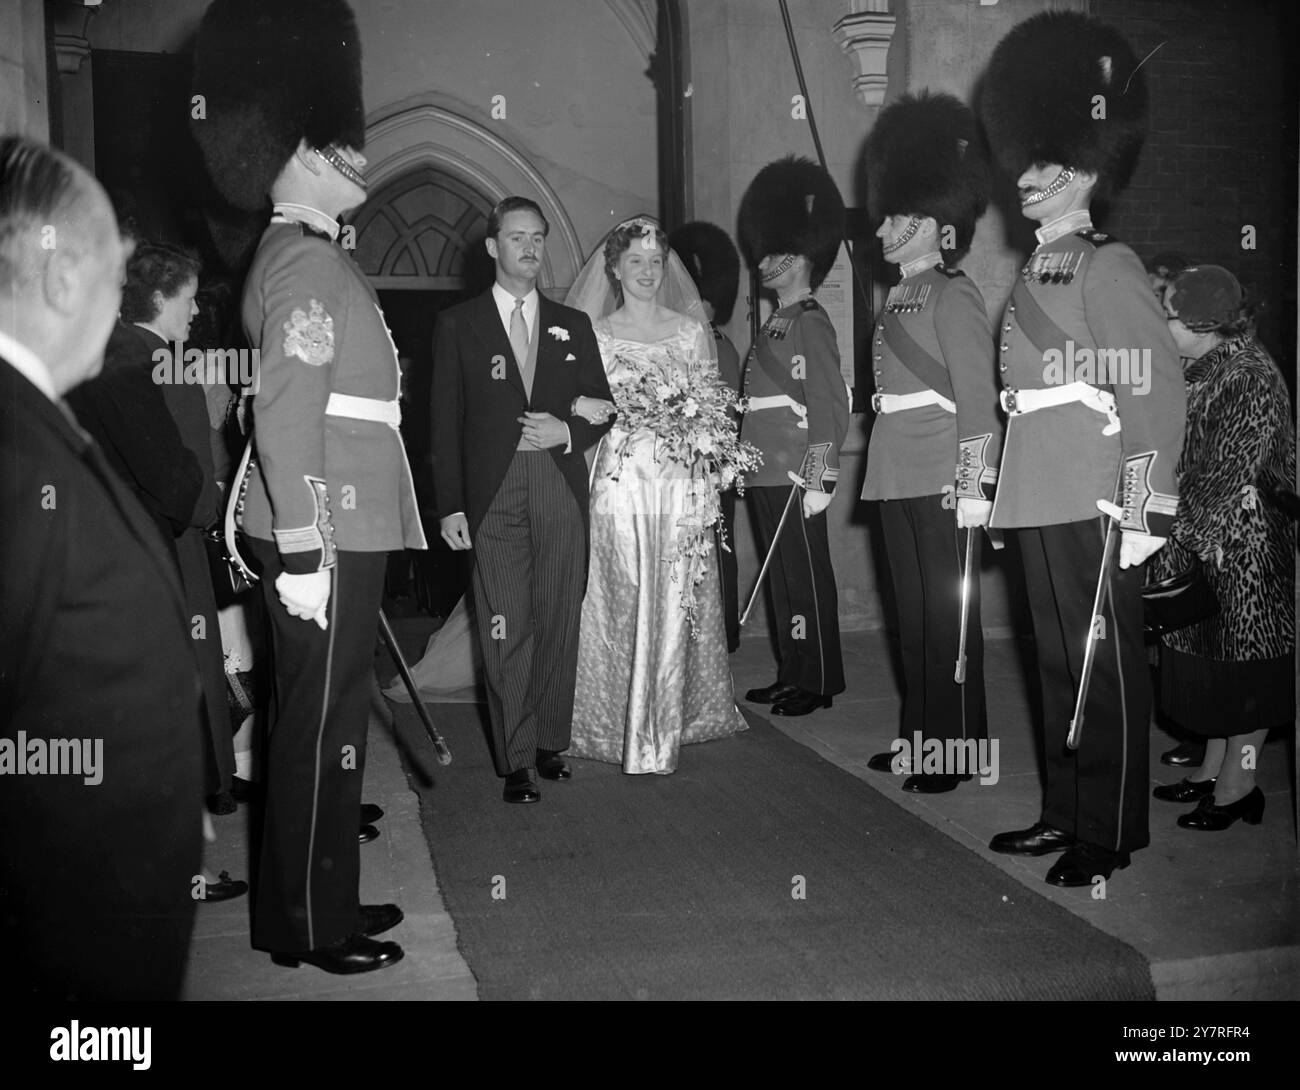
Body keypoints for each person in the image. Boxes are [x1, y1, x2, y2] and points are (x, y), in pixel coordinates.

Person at [192, 0, 426, 974]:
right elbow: (288, 415)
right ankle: (301, 921)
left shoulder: (314, 257)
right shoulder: (302, 262)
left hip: (344, 513)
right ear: (289, 154)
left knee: (329, 719)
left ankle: (324, 897)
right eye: (336, 146)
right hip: (324, 524)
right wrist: (301, 551)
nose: (356, 160)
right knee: (313, 723)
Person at [980, 11, 1187, 887]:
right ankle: (1064, 810)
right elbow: (1022, 399)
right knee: (1057, 659)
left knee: (1101, 662)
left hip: (1098, 494)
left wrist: (1148, 507)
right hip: (1040, 486)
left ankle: (1110, 828)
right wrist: (1000, 492)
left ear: (1089, 169)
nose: (1024, 178)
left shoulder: (1109, 265)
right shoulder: (1037, 267)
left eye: (1044, 163)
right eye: (1023, 159)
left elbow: (1153, 390)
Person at [0, 135, 203, 998]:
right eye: (117, 277)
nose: (126, 305)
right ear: (58, 279)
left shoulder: (38, 417)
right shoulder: (13, 457)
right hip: (71, 927)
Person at [432, 196, 614, 802]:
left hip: (559, 486)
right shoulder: (459, 325)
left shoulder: (574, 324)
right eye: (517, 238)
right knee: (505, 623)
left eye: (538, 237)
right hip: (492, 494)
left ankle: (549, 742)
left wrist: (570, 430)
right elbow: (444, 421)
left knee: (560, 615)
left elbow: (602, 406)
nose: (531, 248)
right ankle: (515, 760)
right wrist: (451, 504)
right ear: (493, 248)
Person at [565, 218, 748, 773]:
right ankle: (611, 720)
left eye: (655, 262)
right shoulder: (593, 333)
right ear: (615, 270)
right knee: (619, 588)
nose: (646, 272)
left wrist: (706, 463)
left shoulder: (690, 332)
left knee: (674, 590)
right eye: (635, 262)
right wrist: (589, 410)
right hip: (620, 480)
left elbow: (711, 409)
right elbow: (578, 403)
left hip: (676, 480)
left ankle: (670, 716)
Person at [859, 91, 1001, 794]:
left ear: (934, 222)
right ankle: (925, 740)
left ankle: (956, 752)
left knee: (948, 625)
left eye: (896, 217)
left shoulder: (953, 294)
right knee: (913, 622)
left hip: (942, 476)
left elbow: (979, 400)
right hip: (892, 472)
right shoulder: (897, 296)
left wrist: (975, 483)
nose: (882, 228)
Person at [66, 244, 237, 824]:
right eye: (188, 300)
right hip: (161, 541)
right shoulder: (141, 359)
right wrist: (210, 505)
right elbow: (171, 469)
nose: (194, 314)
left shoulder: (120, 352)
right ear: (160, 298)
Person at [1150, 265, 1294, 829]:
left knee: (1245, 675)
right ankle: (1211, 769)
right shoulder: (1202, 366)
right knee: (1209, 668)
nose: (1162, 325)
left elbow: (1225, 470)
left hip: (1243, 547)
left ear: (1202, 323)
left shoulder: (1248, 373)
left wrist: (1178, 534)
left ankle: (1241, 784)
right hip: (1206, 537)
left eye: (1168, 316)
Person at [737, 156, 850, 717]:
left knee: (805, 576)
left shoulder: (809, 320)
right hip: (764, 465)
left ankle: (819, 677)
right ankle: (792, 669)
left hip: (793, 468)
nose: (762, 260)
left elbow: (829, 402)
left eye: (775, 251)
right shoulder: (777, 320)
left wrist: (820, 472)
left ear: (802, 256)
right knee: (782, 579)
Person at [670, 221, 744, 653]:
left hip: (711, 462)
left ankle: (722, 631)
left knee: (717, 549)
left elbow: (726, 411)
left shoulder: (718, 346)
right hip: (685, 462)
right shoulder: (696, 341)